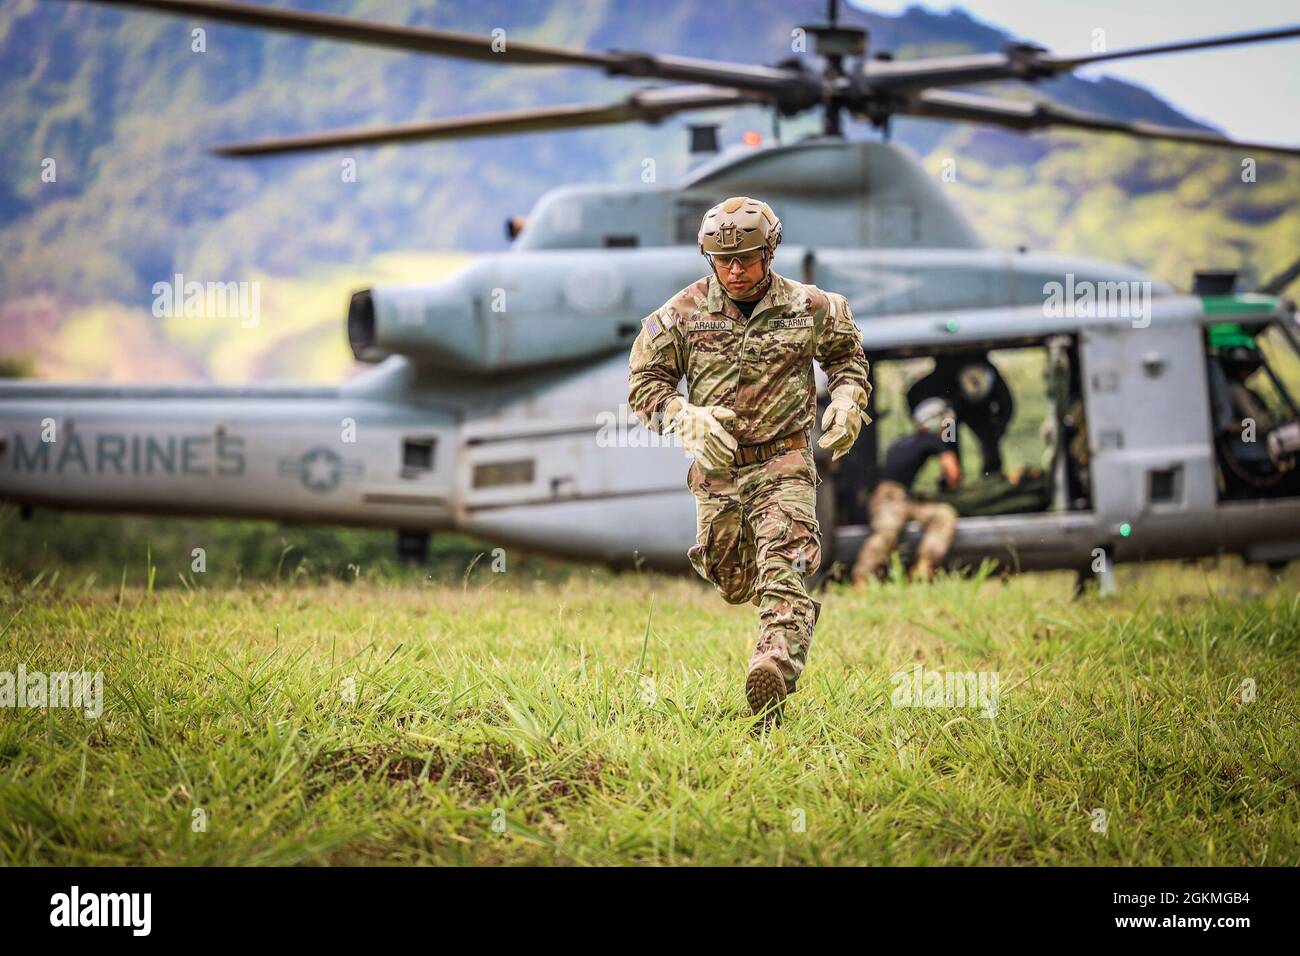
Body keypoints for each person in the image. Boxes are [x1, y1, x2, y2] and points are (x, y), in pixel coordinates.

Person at [627, 196, 870, 723]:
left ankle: (775, 666)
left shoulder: (811, 307)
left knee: (785, 568)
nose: (735, 270)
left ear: (771, 251)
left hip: (784, 463)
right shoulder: (681, 314)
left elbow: (848, 358)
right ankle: (761, 611)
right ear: (707, 257)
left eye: (748, 258)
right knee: (733, 578)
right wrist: (680, 415)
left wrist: (849, 400)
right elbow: (645, 384)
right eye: (723, 260)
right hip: (717, 471)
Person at [851, 398, 961, 584]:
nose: (948, 426)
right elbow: (953, 473)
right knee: (888, 532)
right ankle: (861, 578)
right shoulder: (932, 440)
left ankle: (923, 570)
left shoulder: (903, 441)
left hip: (896, 498)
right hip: (890, 499)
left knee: (943, 515)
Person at [906, 351, 1012, 477]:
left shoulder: (989, 378)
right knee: (949, 445)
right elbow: (913, 396)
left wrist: (999, 428)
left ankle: (992, 473)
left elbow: (1007, 405)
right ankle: (952, 479)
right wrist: (924, 425)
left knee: (990, 442)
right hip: (948, 413)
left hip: (979, 411)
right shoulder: (940, 378)